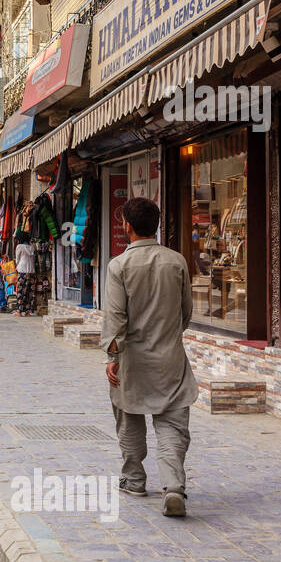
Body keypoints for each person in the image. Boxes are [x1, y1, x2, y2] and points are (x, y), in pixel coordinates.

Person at [101, 198, 198, 517]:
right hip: (170, 359)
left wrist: (112, 355)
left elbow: (116, 317)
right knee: (172, 423)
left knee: (128, 416)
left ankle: (134, 478)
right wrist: (168, 336)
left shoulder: (119, 266)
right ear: (155, 225)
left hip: (131, 360)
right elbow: (186, 312)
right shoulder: (176, 261)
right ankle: (173, 486)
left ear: (127, 226)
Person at [13, 231, 37, 317]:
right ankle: (28, 311)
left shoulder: (19, 247)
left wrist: (16, 267)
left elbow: (17, 259)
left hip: (22, 270)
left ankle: (19, 311)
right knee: (30, 292)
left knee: (20, 291)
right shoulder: (32, 247)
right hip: (31, 271)